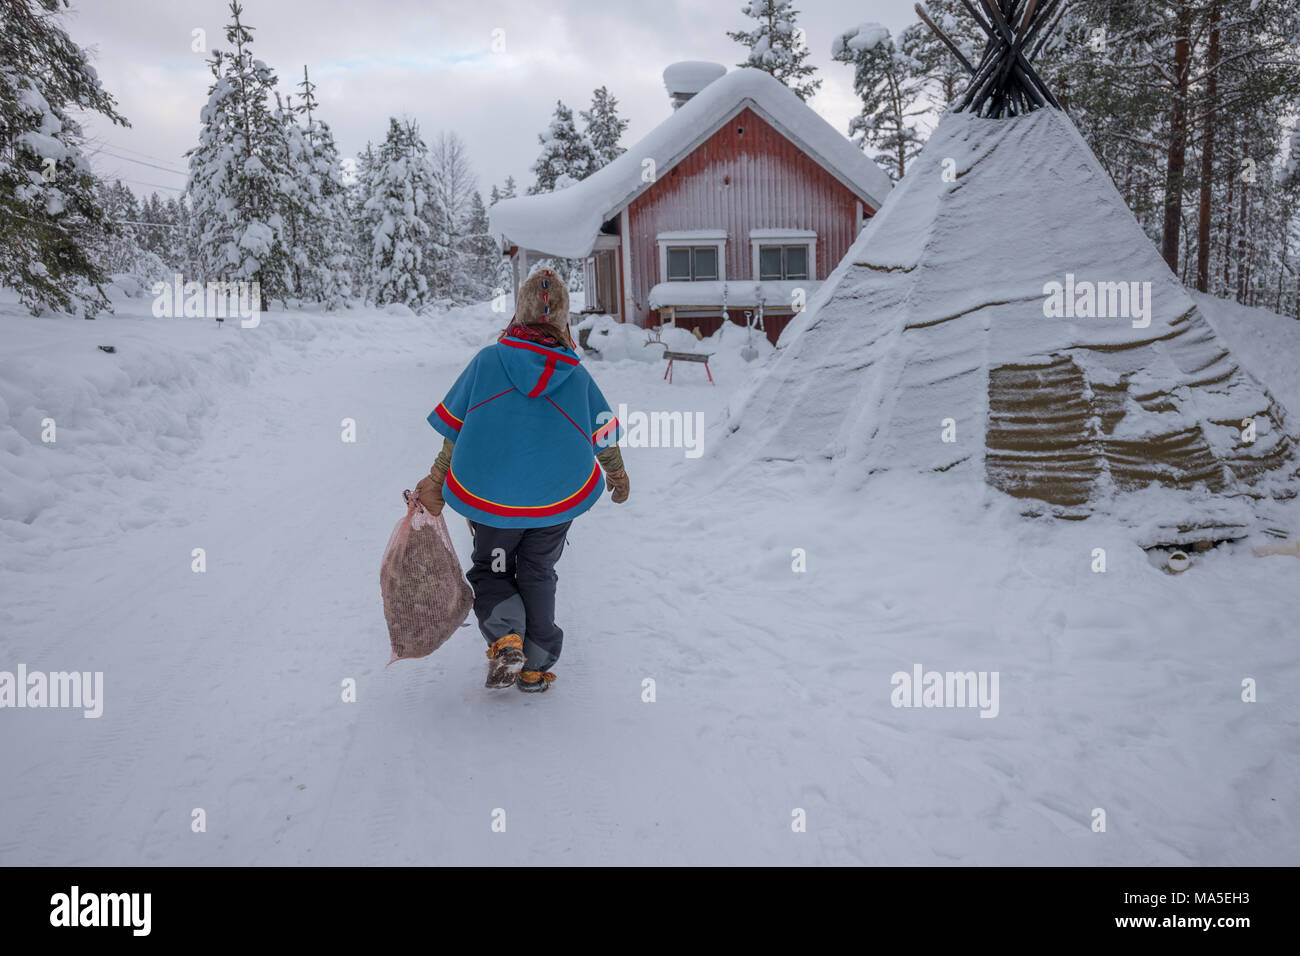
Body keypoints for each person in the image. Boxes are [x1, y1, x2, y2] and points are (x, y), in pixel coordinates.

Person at [415, 269, 629, 693]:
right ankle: (535, 667)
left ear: (519, 311)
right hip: (553, 502)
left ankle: (507, 639)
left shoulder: (488, 362)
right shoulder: (576, 375)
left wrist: (437, 478)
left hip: (493, 504)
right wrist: (617, 473)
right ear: (562, 318)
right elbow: (602, 431)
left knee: (492, 569)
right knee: (537, 570)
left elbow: (455, 430)